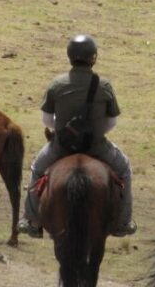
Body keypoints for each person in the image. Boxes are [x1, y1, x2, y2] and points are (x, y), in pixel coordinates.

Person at [18, 35, 137, 238]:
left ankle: (31, 219)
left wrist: (63, 130)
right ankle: (123, 222)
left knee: (37, 169)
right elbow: (112, 122)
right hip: (96, 146)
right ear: (94, 58)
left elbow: (47, 120)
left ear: (69, 56)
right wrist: (96, 134)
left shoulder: (57, 84)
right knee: (124, 169)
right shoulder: (104, 85)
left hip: (62, 146)